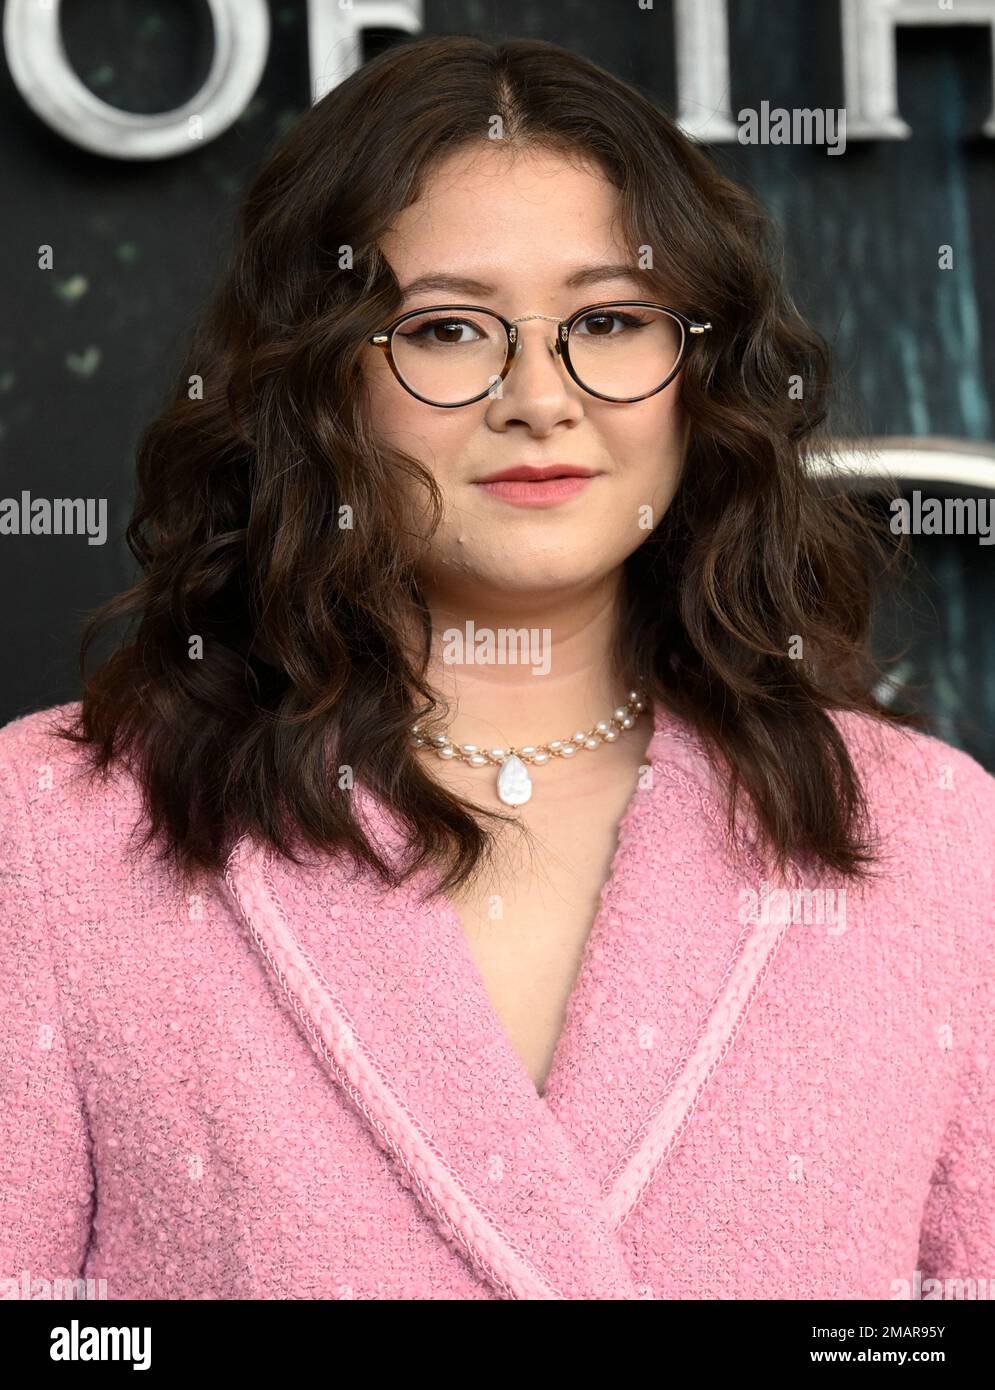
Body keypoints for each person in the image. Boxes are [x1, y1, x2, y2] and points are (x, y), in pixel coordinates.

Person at [1, 34, 992, 1303]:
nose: (539, 396)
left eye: (610, 321)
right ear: (319, 381)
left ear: (701, 373)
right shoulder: (55, 831)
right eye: (450, 328)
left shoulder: (934, 837)